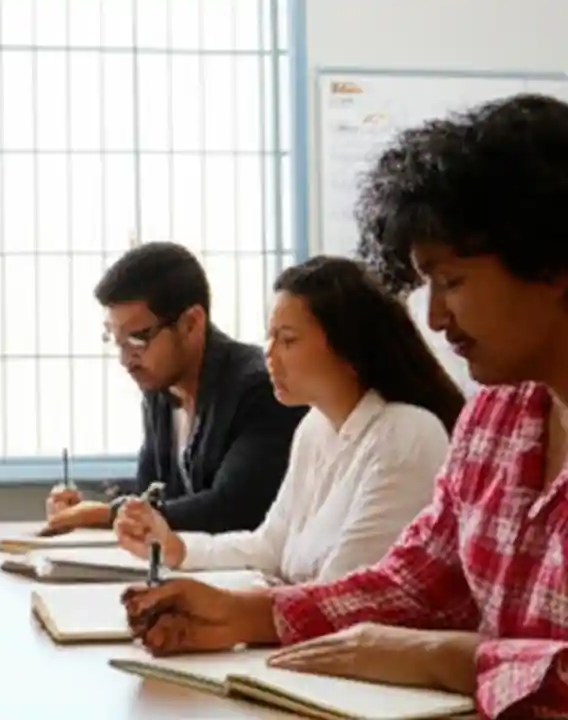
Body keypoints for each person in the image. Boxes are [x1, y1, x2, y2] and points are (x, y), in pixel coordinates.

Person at [121, 94, 568, 719]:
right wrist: (249, 613)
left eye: (455, 282)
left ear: (552, 263)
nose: (436, 317)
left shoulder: (407, 431)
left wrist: (447, 657)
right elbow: (419, 578)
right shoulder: (495, 420)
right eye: (427, 286)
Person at [114, 256, 461, 583]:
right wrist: (177, 548)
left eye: (287, 339)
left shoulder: (406, 434)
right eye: (270, 336)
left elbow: (343, 595)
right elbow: (270, 547)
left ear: (349, 349)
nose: (268, 352)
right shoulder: (315, 427)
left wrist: (225, 611)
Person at [45, 242, 307, 534]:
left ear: (191, 323)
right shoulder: (159, 388)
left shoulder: (258, 388)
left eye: (137, 339)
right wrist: (87, 507)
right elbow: (153, 497)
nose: (125, 360)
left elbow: (234, 508)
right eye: (115, 341)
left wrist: (108, 514)